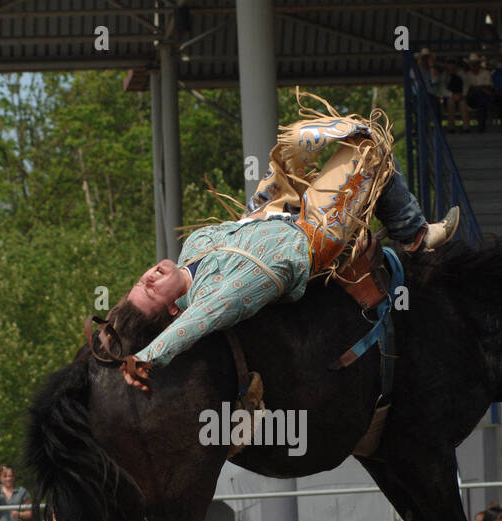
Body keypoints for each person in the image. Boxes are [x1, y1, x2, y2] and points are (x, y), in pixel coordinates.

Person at [120, 100, 460, 391]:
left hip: (275, 210)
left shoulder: (193, 246)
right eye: (151, 292)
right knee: (369, 144)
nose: (149, 278)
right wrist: (147, 356)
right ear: (175, 309)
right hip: (312, 235)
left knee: (296, 140)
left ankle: (405, 223)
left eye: (141, 280)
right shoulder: (214, 295)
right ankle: (415, 235)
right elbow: (199, 322)